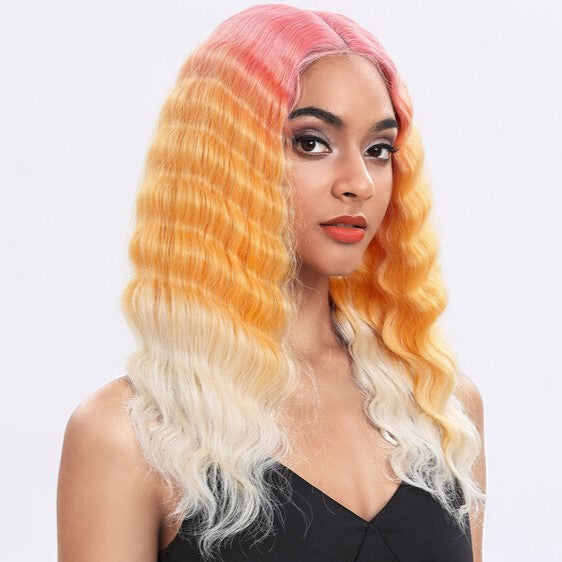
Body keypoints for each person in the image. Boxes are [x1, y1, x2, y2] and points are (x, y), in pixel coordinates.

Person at [57, 4, 486, 561]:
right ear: (223, 159)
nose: (359, 182)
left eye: (378, 150)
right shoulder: (130, 435)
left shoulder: (441, 407)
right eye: (311, 142)